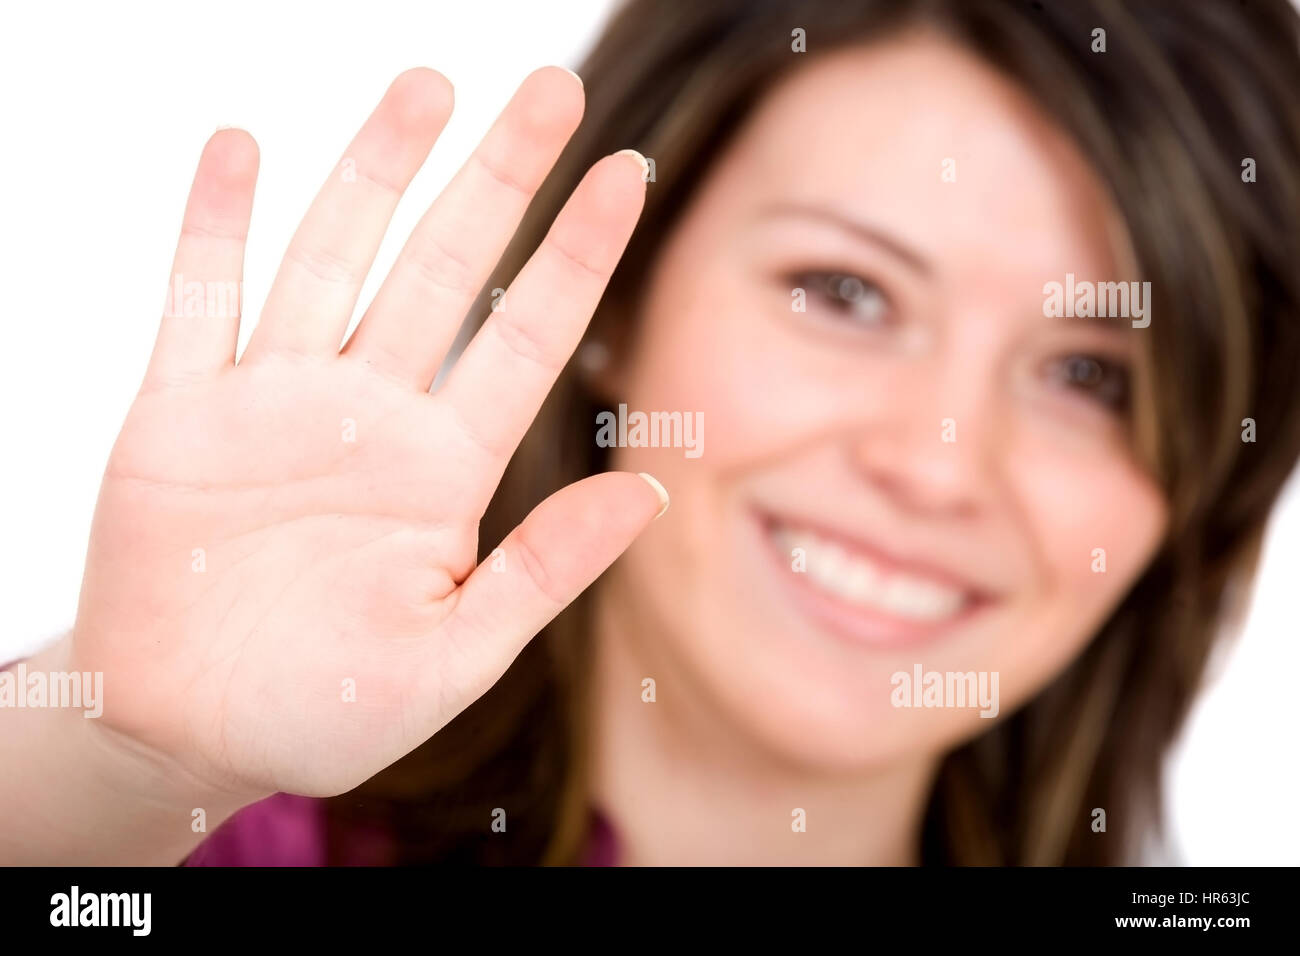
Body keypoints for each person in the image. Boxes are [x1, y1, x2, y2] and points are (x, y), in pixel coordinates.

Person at [3, 0, 1299, 866]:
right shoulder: (212, 837)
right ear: (613, 298)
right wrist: (122, 766)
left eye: (1089, 373)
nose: (939, 462)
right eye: (842, 294)